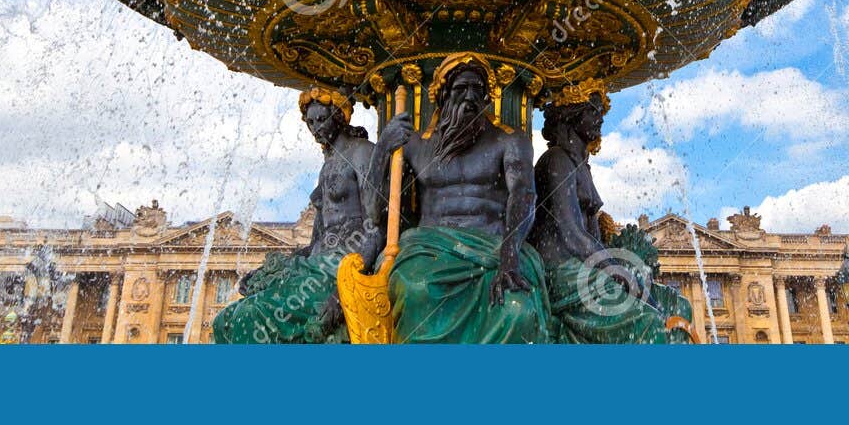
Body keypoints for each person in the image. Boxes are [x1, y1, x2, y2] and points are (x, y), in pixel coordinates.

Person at [369, 54, 551, 342]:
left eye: (478, 91)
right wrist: (381, 150)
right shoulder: (415, 145)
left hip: (495, 247)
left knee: (519, 310)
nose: (470, 98)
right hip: (430, 249)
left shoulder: (511, 141)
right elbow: (376, 212)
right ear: (442, 96)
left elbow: (524, 194)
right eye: (461, 89)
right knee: (417, 289)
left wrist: (509, 254)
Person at [212, 87, 378, 343]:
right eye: (310, 122)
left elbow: (378, 222)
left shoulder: (362, 152)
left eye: (321, 120)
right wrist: (269, 269)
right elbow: (314, 242)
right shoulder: (328, 166)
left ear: (338, 117)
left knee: (250, 314)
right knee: (225, 320)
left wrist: (345, 286)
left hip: (343, 265)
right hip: (317, 262)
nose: (315, 129)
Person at [529, 81, 674, 343]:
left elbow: (594, 238)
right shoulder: (557, 161)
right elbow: (571, 234)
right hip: (558, 271)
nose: (599, 120)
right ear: (572, 115)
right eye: (592, 111)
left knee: (672, 306)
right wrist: (617, 270)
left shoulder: (582, 167)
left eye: (600, 113)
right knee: (646, 322)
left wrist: (624, 270)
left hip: (582, 268)